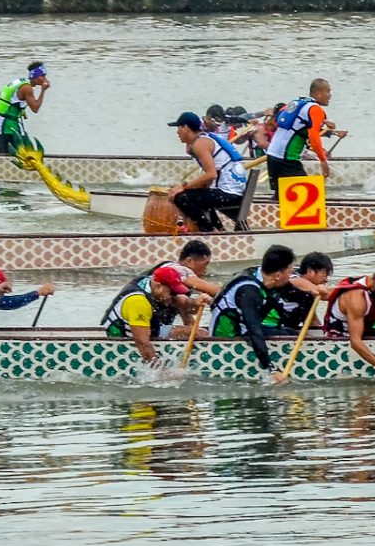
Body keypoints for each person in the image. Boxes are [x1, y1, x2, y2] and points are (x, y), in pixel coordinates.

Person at [209, 244, 332, 379]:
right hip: (228, 336)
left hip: (245, 328)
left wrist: (311, 292)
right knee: (290, 336)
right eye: (290, 272)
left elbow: (289, 289)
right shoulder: (249, 291)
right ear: (278, 275)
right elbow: (254, 331)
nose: (291, 276)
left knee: (292, 333)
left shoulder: (263, 274)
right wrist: (270, 369)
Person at [166, 111, 250, 231]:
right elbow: (210, 179)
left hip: (228, 194)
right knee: (199, 195)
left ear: (186, 128)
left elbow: (211, 174)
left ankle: (208, 231)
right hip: (235, 193)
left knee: (181, 198)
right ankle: (219, 229)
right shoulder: (206, 139)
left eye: (178, 128)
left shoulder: (200, 144)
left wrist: (183, 188)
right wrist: (191, 188)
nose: (177, 133)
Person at [103, 263, 199, 365]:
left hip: (148, 328)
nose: (173, 297)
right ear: (158, 287)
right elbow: (143, 344)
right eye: (172, 293)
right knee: (198, 333)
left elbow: (189, 307)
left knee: (199, 332)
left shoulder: (154, 284)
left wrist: (196, 302)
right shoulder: (138, 302)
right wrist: (160, 373)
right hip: (124, 337)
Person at [265, 78, 336, 184]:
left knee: (281, 196)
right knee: (306, 195)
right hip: (287, 159)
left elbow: (273, 122)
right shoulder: (316, 110)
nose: (330, 95)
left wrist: (324, 121)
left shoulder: (297, 101)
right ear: (318, 93)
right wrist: (323, 160)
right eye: (328, 91)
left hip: (272, 154)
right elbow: (314, 138)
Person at [0, 62, 50, 153]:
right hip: (8, 125)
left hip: (1, 121)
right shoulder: (27, 88)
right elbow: (35, 108)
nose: (45, 79)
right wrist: (43, 90)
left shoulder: (20, 81)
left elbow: (3, 95)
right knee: (19, 153)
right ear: (35, 76)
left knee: (10, 150)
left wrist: (20, 110)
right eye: (42, 76)